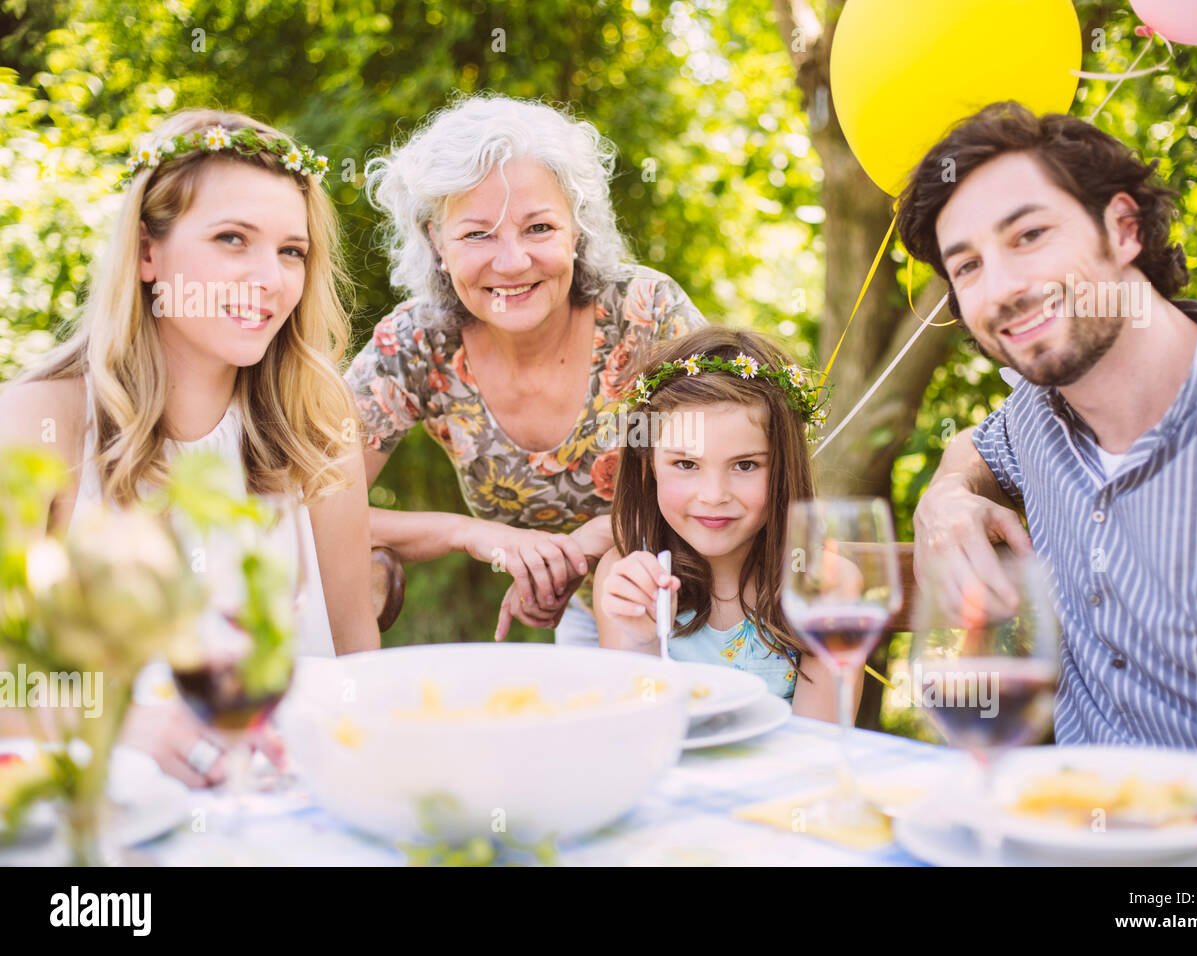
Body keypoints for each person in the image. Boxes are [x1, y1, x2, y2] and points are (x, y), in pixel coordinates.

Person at [897, 101, 1197, 783]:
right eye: (967, 267)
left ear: (1123, 229)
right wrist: (946, 495)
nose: (1002, 289)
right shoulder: (1036, 414)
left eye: (1028, 235)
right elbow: (975, 446)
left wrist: (1134, 837)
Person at [0, 109, 381, 786]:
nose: (270, 278)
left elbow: (358, 664)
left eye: (291, 250)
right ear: (148, 253)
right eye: (233, 239)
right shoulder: (37, 422)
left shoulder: (319, 425)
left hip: (293, 818)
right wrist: (130, 723)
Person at [347, 94, 708, 645]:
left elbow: (731, 473)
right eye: (476, 233)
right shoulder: (416, 345)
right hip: (600, 618)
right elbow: (303, 509)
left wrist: (584, 545)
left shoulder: (647, 312)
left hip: (711, 597)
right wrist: (469, 534)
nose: (512, 262)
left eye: (538, 228)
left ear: (576, 229)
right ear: (435, 244)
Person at [592, 327, 846, 722]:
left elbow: (821, 746)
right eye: (686, 464)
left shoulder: (826, 586)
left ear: (783, 468)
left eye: (745, 465)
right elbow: (633, 734)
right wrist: (643, 641)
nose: (714, 495)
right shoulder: (626, 576)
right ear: (649, 466)